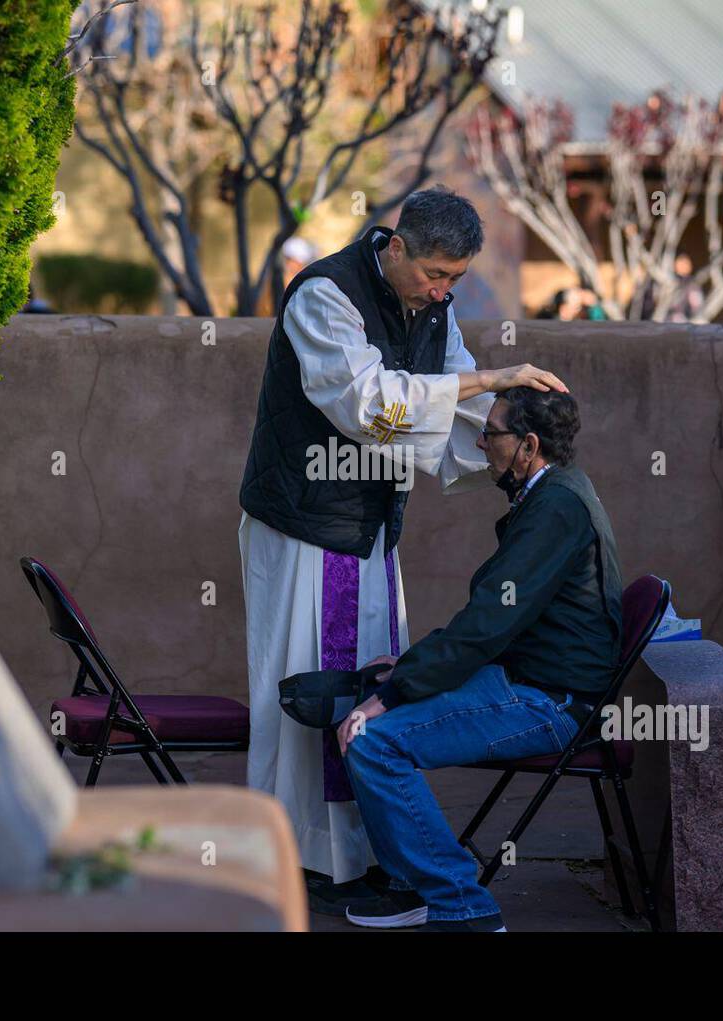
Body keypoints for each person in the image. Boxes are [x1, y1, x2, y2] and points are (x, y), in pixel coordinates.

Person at [238, 185, 568, 913]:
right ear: (397, 247)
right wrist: (490, 380)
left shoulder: (433, 304)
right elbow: (369, 402)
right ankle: (300, 853)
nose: (443, 290)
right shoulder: (322, 295)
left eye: (454, 278)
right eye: (434, 275)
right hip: (306, 526)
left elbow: (456, 395)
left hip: (371, 528)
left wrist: (522, 442)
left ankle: (361, 851)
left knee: (366, 683)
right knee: (307, 688)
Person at [336, 386, 623, 931]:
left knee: (372, 740)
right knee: (361, 702)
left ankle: (461, 904)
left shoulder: (557, 506)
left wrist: (396, 691)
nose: (481, 442)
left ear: (528, 445)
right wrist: (407, 671)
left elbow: (490, 621)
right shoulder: (552, 495)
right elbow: (492, 620)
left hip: (551, 702)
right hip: (529, 680)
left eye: (491, 433)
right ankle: (411, 885)